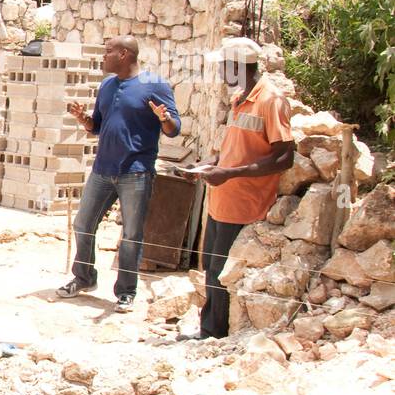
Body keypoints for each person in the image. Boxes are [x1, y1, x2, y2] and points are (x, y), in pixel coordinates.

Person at [58, 35, 181, 312]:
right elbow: (98, 126)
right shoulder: (107, 85)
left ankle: (126, 292)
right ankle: (84, 278)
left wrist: (165, 119)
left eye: (108, 51)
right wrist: (84, 120)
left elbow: (174, 128)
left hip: (135, 173)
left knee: (131, 234)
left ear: (124, 55)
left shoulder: (154, 85)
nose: (104, 56)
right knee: (83, 223)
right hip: (103, 170)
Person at [186, 38, 295, 339]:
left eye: (224, 66)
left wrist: (231, 173)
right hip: (222, 199)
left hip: (245, 203)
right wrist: (207, 165)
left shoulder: (271, 100)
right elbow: (232, 150)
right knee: (211, 267)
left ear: (237, 66)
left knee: (222, 271)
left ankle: (215, 335)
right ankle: (209, 329)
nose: (221, 72)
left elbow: (284, 156)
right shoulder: (240, 99)